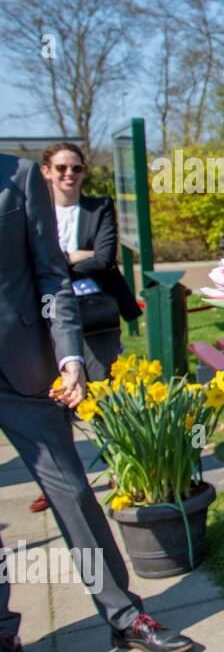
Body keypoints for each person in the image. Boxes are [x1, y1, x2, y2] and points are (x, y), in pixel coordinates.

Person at [0, 154, 194, 652]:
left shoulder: (17, 178)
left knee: (73, 493)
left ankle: (125, 615)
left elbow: (48, 272)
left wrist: (69, 356)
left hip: (24, 370)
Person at [28, 142, 141, 513]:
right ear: (46, 171)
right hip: (48, 312)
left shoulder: (98, 207)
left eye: (75, 168)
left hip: (95, 310)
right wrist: (77, 257)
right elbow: (29, 263)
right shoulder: (34, 210)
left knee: (105, 392)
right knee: (54, 399)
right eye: (60, 168)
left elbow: (105, 259)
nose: (68, 175)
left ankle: (120, 472)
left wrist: (55, 263)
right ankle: (60, 483)